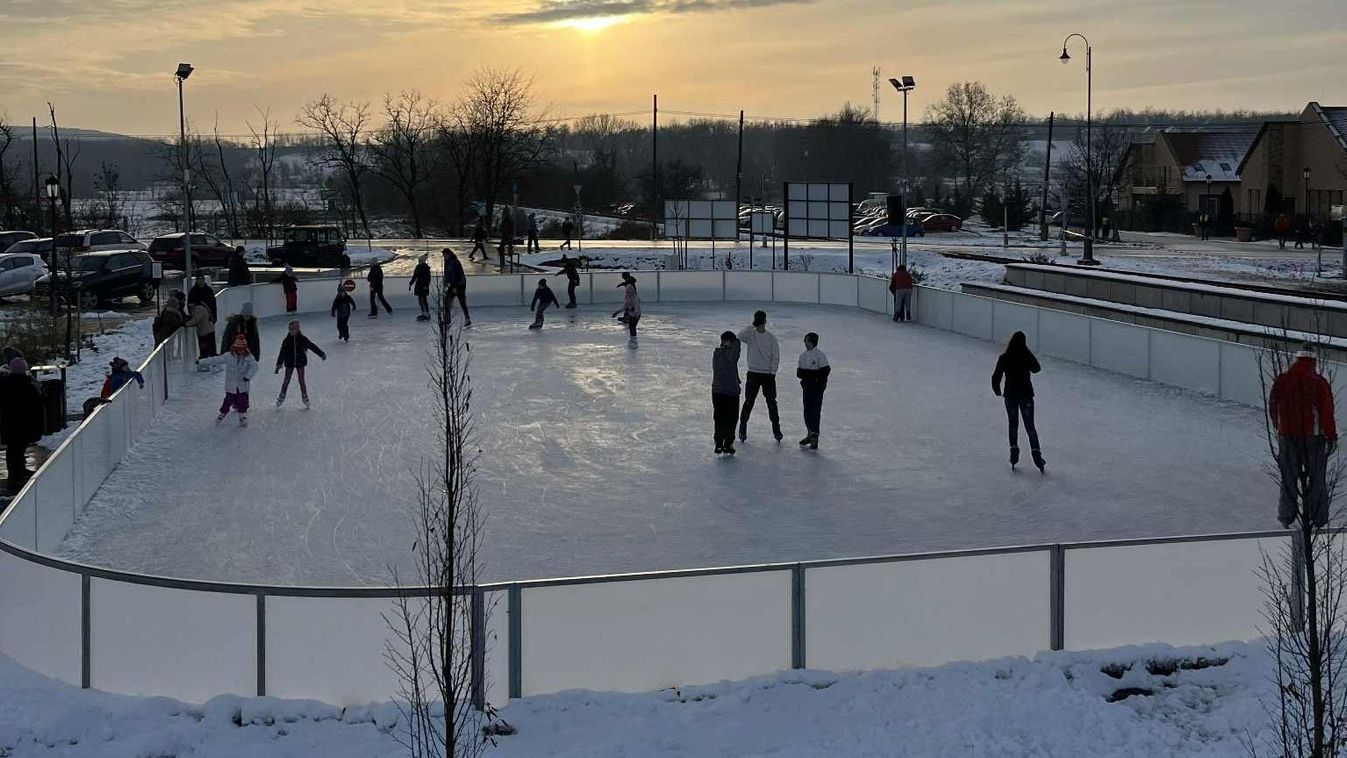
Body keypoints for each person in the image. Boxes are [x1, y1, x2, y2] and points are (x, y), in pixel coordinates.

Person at [1270, 343, 1337, 528]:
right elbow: (1326, 412)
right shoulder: (1319, 382)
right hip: (1313, 438)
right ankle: (1318, 518)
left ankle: (1286, 516)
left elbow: (1273, 406)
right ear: (1313, 360)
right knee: (1317, 480)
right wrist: (1331, 437)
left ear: (1297, 359)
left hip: (1287, 436)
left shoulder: (1282, 380)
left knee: (1288, 478)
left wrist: (1279, 427)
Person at [992, 330, 1045, 472]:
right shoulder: (1025, 356)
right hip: (1026, 395)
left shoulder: (1004, 357)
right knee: (1030, 427)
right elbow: (1037, 368)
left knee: (1013, 425)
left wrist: (997, 390)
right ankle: (1036, 455)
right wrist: (1027, 352)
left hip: (1010, 396)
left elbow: (996, 377)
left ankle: (1014, 452)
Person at [737, 310, 782, 443]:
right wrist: (752, 326)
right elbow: (739, 336)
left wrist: (772, 372)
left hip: (767, 375)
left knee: (771, 403)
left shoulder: (771, 338)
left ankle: (776, 429)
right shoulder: (750, 335)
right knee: (749, 402)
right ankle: (742, 428)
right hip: (753, 373)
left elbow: (776, 356)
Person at [0, 358, 42, 489]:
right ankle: (16, 474)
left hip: (8, 421)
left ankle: (16, 471)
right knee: (18, 447)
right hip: (23, 421)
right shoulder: (26, 384)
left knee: (14, 448)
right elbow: (36, 401)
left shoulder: (4, 383)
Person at [199, 334, 258, 427]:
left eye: (242, 350)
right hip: (231, 384)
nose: (240, 352)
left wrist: (248, 376)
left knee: (242, 400)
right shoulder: (228, 356)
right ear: (234, 348)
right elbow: (216, 360)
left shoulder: (248, 357)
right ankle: (222, 413)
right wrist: (202, 361)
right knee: (228, 400)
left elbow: (254, 366)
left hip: (242, 384)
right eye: (238, 349)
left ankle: (242, 416)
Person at [275, 320, 326, 409]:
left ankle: (305, 397)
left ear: (297, 329)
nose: (291, 331)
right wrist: (279, 364)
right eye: (290, 329)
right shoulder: (286, 340)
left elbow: (312, 346)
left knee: (301, 380)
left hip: (300, 362)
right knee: (286, 380)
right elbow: (282, 352)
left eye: (293, 329)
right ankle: (281, 396)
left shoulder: (302, 339)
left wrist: (321, 353)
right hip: (290, 363)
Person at [796, 332, 831, 450]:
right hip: (806, 387)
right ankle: (810, 433)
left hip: (816, 388)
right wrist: (811, 374)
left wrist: (811, 375)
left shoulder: (820, 356)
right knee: (807, 411)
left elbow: (825, 370)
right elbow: (799, 373)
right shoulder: (803, 356)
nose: (804, 342)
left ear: (811, 342)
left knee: (815, 412)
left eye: (806, 340)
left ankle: (815, 435)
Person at [712, 331, 741, 456]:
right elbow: (735, 354)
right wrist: (737, 342)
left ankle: (719, 443)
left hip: (717, 391)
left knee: (719, 418)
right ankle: (728, 443)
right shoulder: (731, 354)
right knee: (732, 418)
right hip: (731, 392)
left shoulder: (717, 353)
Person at [442, 248, 472, 326]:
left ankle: (467, 318)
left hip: (459, 285)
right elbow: (447, 274)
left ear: (449, 254)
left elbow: (455, 275)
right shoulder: (447, 262)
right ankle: (447, 318)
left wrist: (454, 286)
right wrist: (445, 283)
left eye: (445, 255)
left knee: (462, 302)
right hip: (453, 285)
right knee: (447, 302)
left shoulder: (454, 262)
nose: (444, 256)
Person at [612, 272, 641, 347]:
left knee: (632, 327)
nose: (628, 292)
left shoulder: (633, 297)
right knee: (632, 327)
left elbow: (635, 305)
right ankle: (633, 340)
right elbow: (625, 306)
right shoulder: (629, 284)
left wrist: (636, 313)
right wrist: (616, 313)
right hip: (633, 313)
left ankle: (634, 341)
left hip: (635, 313)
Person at [410, 254, 432, 321]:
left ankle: (426, 313)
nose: (419, 261)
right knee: (422, 300)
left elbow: (428, 278)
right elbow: (415, 276)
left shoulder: (425, 268)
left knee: (423, 300)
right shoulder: (420, 267)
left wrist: (426, 285)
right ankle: (424, 313)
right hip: (420, 286)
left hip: (422, 286)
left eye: (420, 260)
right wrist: (411, 283)